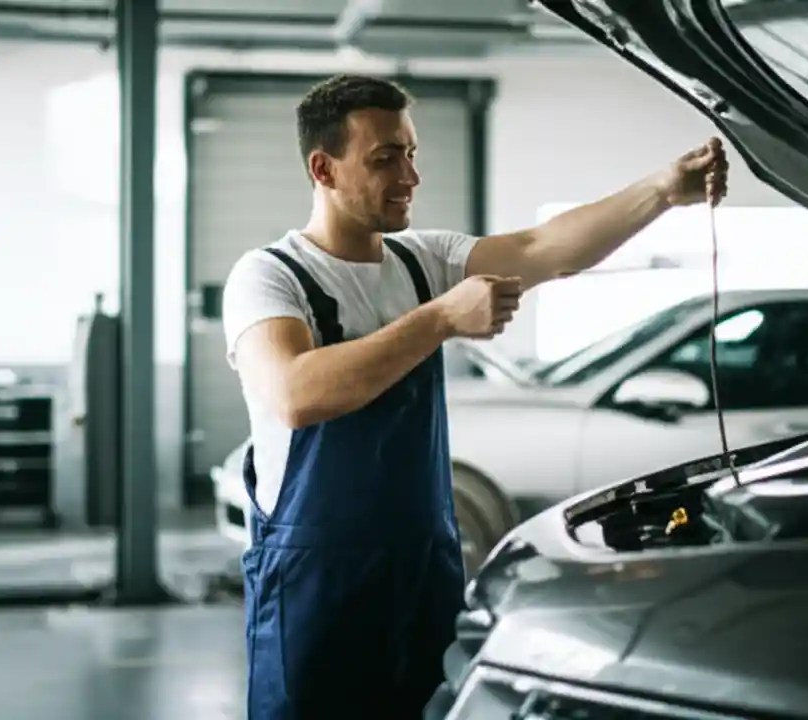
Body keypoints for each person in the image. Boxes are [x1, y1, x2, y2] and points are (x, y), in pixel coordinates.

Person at [221, 74, 729, 719]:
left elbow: (548, 248)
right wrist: (439, 320)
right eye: (384, 159)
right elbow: (296, 393)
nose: (409, 175)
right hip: (317, 581)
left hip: (423, 565)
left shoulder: (420, 260)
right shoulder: (270, 275)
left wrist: (661, 191)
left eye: (410, 153)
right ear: (323, 168)